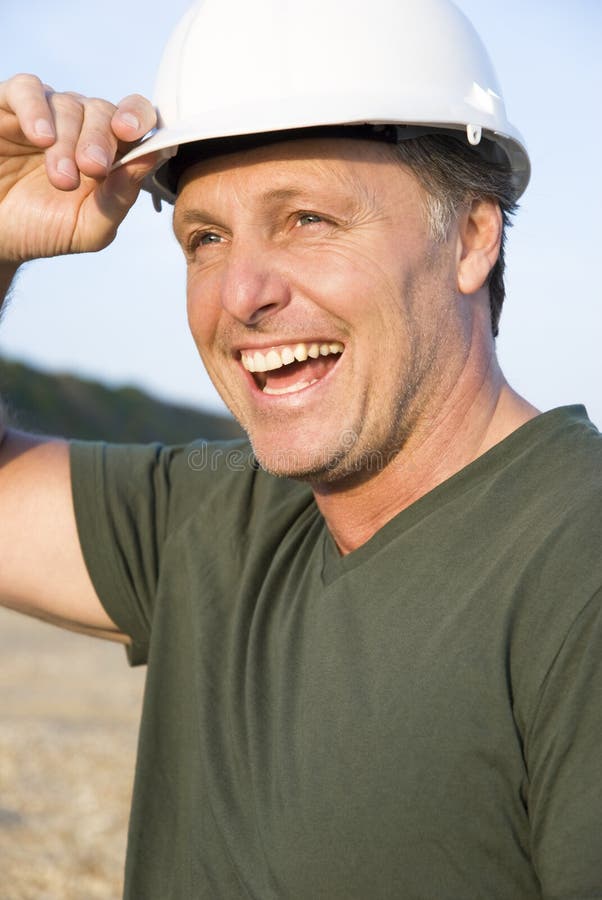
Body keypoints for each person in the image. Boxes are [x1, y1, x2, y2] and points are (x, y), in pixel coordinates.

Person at [1, 0, 601, 897]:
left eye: (307, 219)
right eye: (205, 238)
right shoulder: (216, 519)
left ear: (472, 236)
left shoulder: (576, 568)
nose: (240, 293)